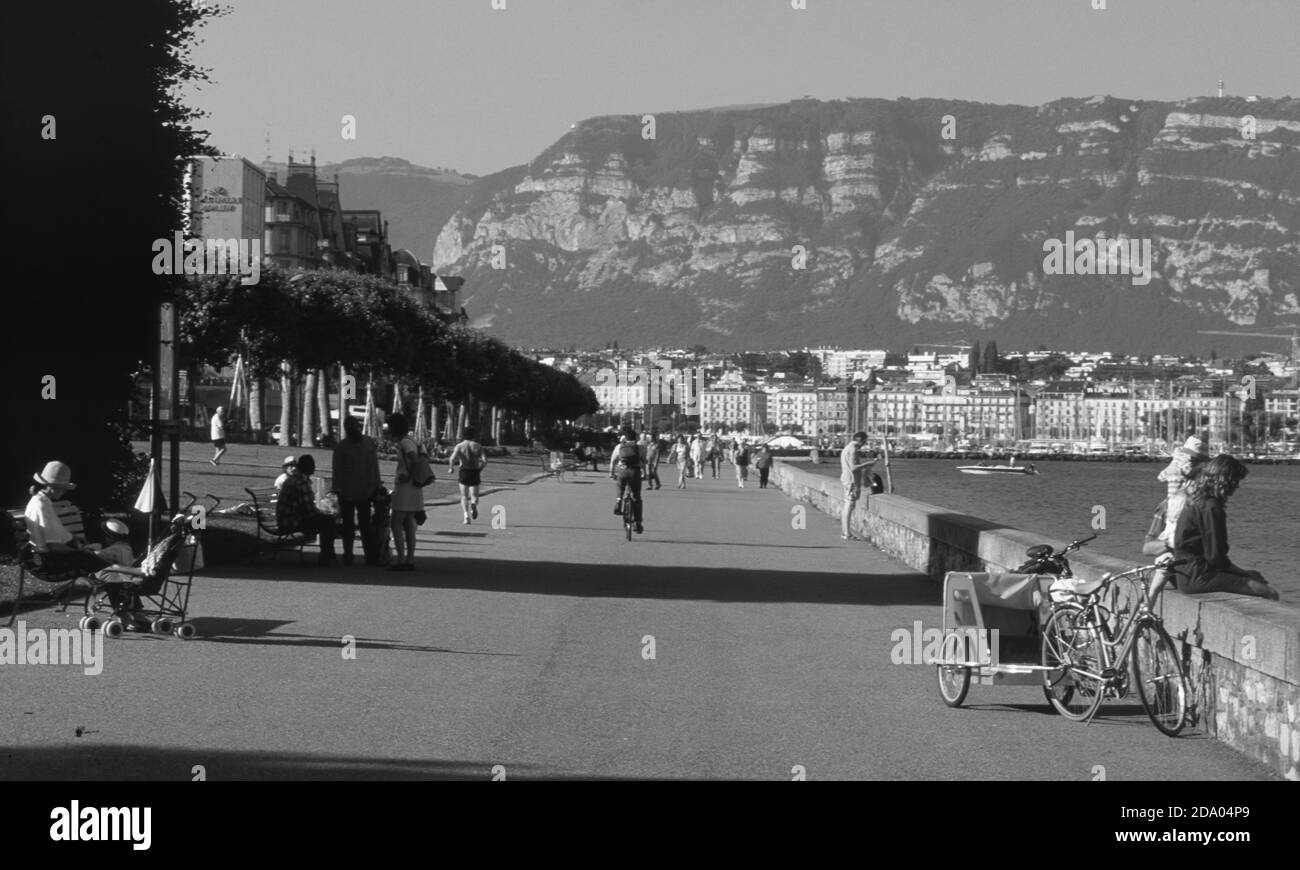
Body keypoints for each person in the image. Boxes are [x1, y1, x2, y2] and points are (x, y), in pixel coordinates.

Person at [1171, 455, 1278, 600]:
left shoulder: (1196, 502)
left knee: (1253, 578)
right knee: (1269, 592)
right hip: (1199, 577)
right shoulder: (1211, 508)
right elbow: (1216, 558)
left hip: (1184, 574)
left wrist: (1244, 573)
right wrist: (1245, 574)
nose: (1237, 486)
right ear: (1224, 480)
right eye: (1236, 480)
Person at [23, 461, 110, 576]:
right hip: (49, 561)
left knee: (101, 559)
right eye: (63, 488)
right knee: (103, 565)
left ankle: (123, 580)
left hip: (49, 556)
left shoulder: (42, 501)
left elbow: (53, 534)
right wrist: (78, 552)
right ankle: (126, 582)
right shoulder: (41, 505)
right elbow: (53, 545)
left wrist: (73, 538)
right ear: (53, 487)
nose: (64, 492)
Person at [332, 416, 382, 566]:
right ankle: (348, 554)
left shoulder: (367, 443)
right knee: (348, 526)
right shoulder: (342, 447)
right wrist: (338, 490)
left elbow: (374, 465)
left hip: (365, 491)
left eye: (354, 426)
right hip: (347, 492)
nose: (352, 430)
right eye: (349, 427)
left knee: (365, 525)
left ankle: (370, 555)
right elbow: (337, 470)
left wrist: (376, 485)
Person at [276, 454, 338, 563]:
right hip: (291, 521)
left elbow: (306, 507)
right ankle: (326, 556)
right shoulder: (301, 482)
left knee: (326, 519)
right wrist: (324, 514)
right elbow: (308, 509)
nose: (314, 468)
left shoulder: (294, 479)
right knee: (328, 521)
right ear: (306, 467)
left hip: (287, 517)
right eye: (312, 465)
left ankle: (328, 554)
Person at [385, 413, 421, 571]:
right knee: (409, 523)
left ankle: (401, 559)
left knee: (396, 523)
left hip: (406, 488)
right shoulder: (411, 440)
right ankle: (409, 558)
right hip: (414, 488)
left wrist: (408, 476)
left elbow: (414, 459)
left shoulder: (405, 442)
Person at [840, 432, 877, 541]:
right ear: (861, 440)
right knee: (849, 505)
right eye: (865, 441)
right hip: (851, 481)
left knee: (848, 506)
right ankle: (846, 534)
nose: (865, 443)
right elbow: (853, 467)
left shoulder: (848, 448)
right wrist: (868, 464)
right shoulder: (853, 449)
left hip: (847, 479)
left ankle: (845, 532)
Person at [608, 426, 645, 534]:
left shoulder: (619, 446)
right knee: (637, 497)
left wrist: (611, 473)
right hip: (635, 472)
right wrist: (645, 474)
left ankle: (618, 501)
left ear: (625, 437)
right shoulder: (640, 447)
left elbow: (613, 461)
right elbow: (644, 462)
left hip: (622, 471)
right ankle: (638, 522)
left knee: (620, 486)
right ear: (636, 438)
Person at [449, 426, 487, 525]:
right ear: (473, 435)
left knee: (464, 496)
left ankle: (466, 516)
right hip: (474, 471)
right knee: (474, 495)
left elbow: (452, 458)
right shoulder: (478, 446)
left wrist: (451, 468)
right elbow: (485, 461)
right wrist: (480, 469)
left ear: (463, 435)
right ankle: (473, 504)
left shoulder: (459, 446)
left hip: (464, 471)